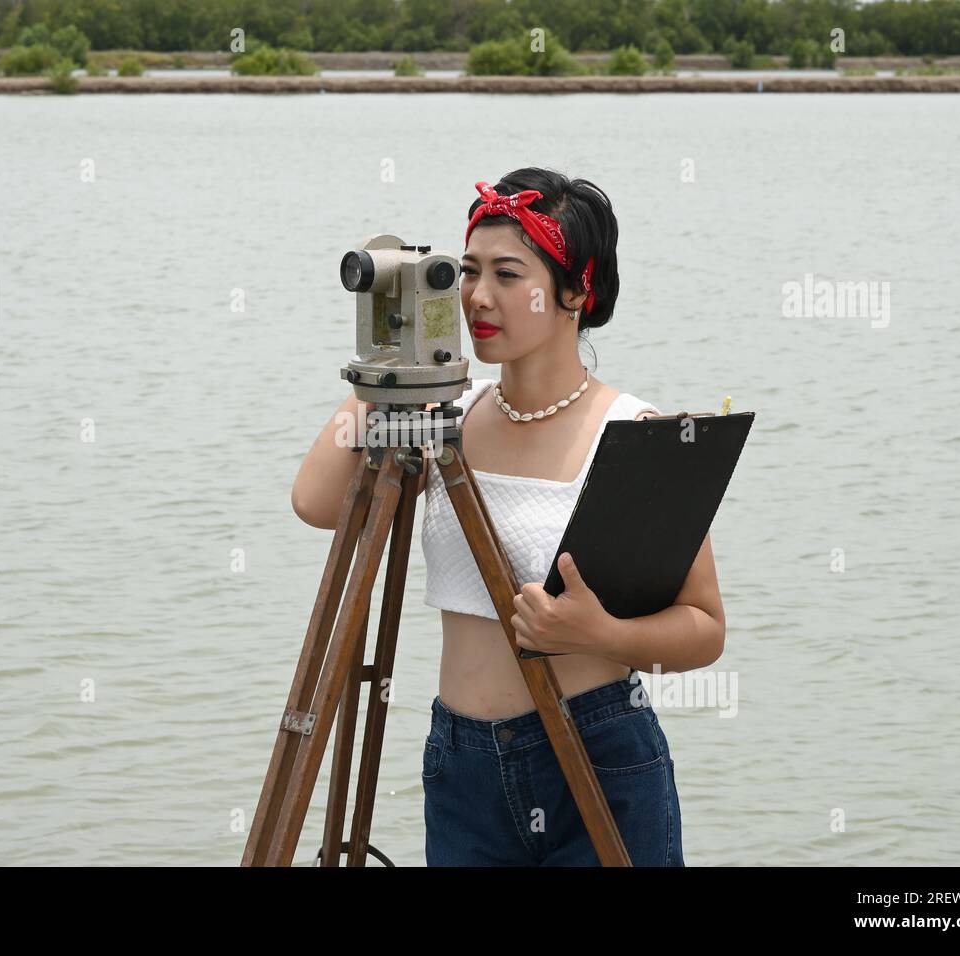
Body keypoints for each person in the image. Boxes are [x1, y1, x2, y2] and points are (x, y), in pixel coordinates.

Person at [291, 167, 725, 866]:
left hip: (598, 751)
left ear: (576, 291)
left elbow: (705, 630)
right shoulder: (444, 418)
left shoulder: (635, 432)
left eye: (507, 273)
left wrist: (603, 633)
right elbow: (316, 502)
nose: (477, 297)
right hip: (462, 763)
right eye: (464, 272)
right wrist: (390, 364)